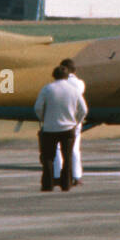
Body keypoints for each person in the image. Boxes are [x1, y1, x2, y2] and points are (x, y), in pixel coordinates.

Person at [34, 66, 88, 192]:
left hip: (50, 128)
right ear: (67, 76)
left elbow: (37, 107)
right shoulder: (74, 90)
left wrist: (43, 118)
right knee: (68, 156)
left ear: (54, 75)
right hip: (68, 129)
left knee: (48, 158)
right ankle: (66, 184)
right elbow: (83, 109)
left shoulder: (47, 89)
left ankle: (48, 184)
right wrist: (77, 121)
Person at [51, 58, 87, 186]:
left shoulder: (51, 87)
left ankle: (56, 176)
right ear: (74, 70)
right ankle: (77, 177)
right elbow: (83, 108)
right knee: (75, 149)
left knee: (57, 148)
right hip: (74, 120)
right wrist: (80, 121)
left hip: (57, 119)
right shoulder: (79, 84)